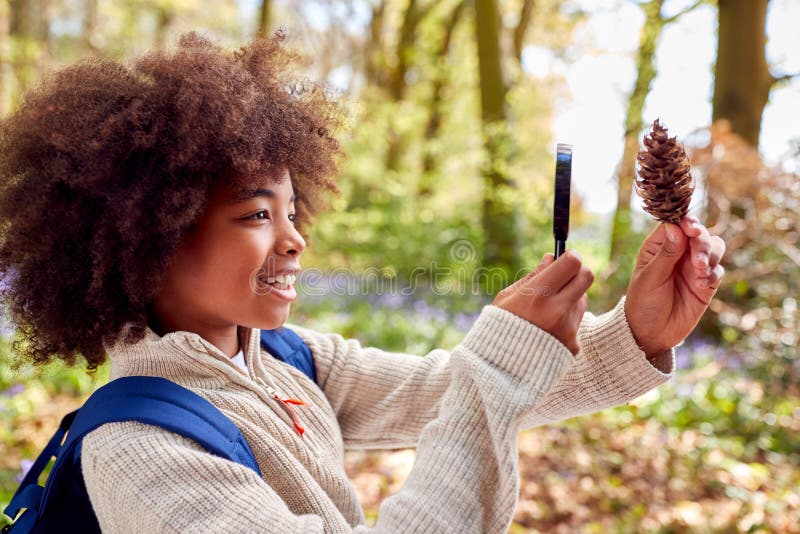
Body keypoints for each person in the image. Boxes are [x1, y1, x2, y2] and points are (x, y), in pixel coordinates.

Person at [0, 33, 725, 532]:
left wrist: (636, 333)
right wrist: (500, 360)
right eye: (257, 214)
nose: (296, 237)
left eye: (293, 209)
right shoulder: (140, 449)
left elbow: (453, 392)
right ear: (148, 234)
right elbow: (486, 384)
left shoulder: (285, 359)